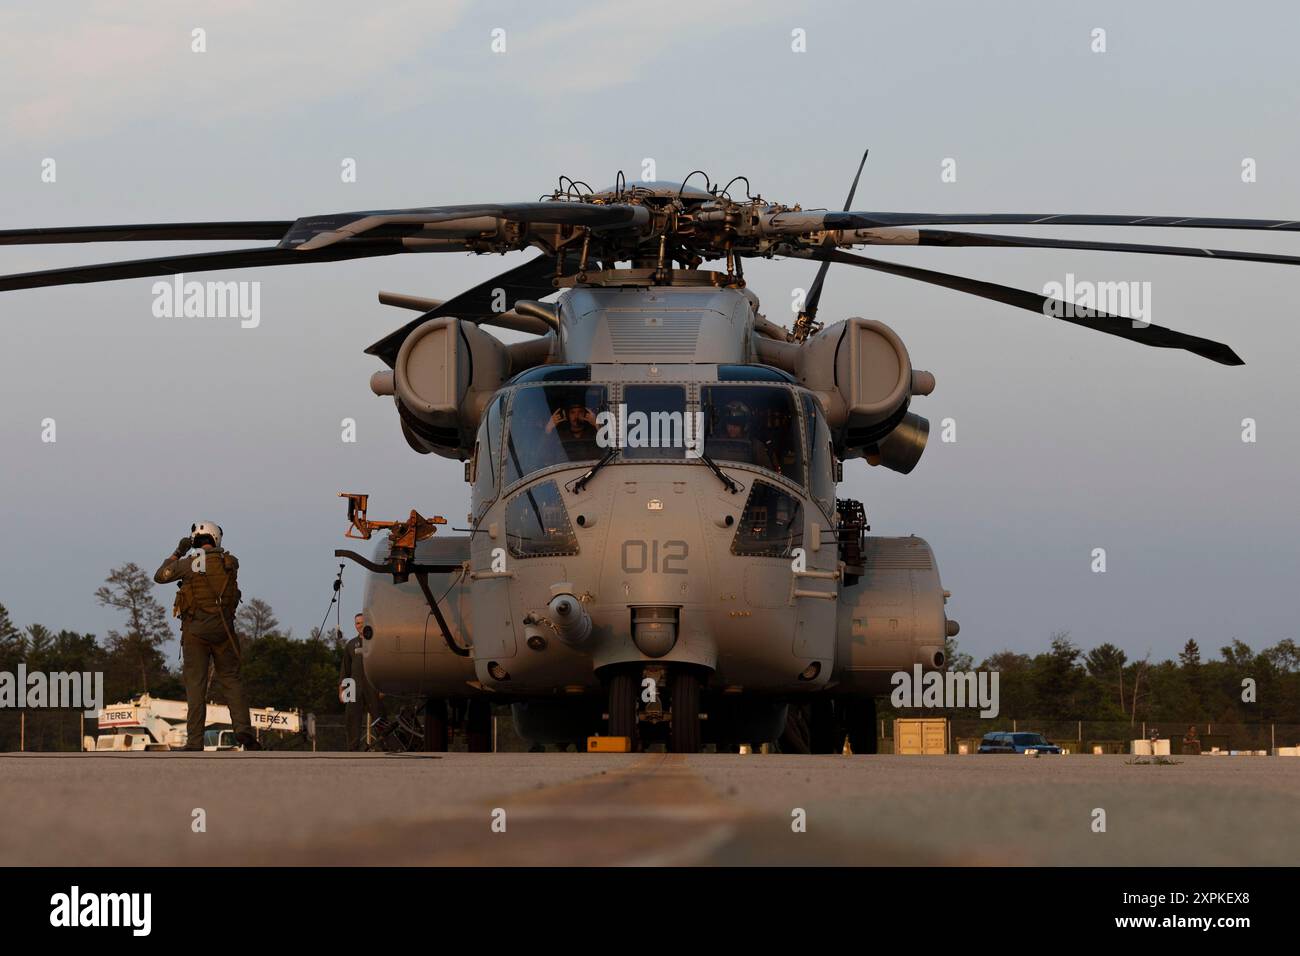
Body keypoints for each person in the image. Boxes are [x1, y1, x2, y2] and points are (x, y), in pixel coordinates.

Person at [154, 521, 260, 751]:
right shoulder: (231, 563)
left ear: (195, 541)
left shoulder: (187, 564)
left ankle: (194, 742)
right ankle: (243, 731)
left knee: (196, 686)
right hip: (224, 631)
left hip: (195, 633)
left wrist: (178, 551)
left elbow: (160, 576)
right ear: (216, 538)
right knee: (232, 681)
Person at [340, 612, 388, 751]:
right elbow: (345, 669)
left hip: (373, 685)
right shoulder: (350, 645)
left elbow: (383, 666)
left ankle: (385, 746)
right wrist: (342, 689)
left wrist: (383, 688)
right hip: (353, 687)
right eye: (357, 623)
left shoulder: (376, 642)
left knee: (379, 716)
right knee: (352, 717)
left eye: (362, 622)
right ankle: (352, 748)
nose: (359, 626)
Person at [717, 400, 774, 470]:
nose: (732, 428)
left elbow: (766, 472)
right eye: (729, 423)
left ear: (745, 426)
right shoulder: (718, 442)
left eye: (737, 424)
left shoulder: (755, 446)